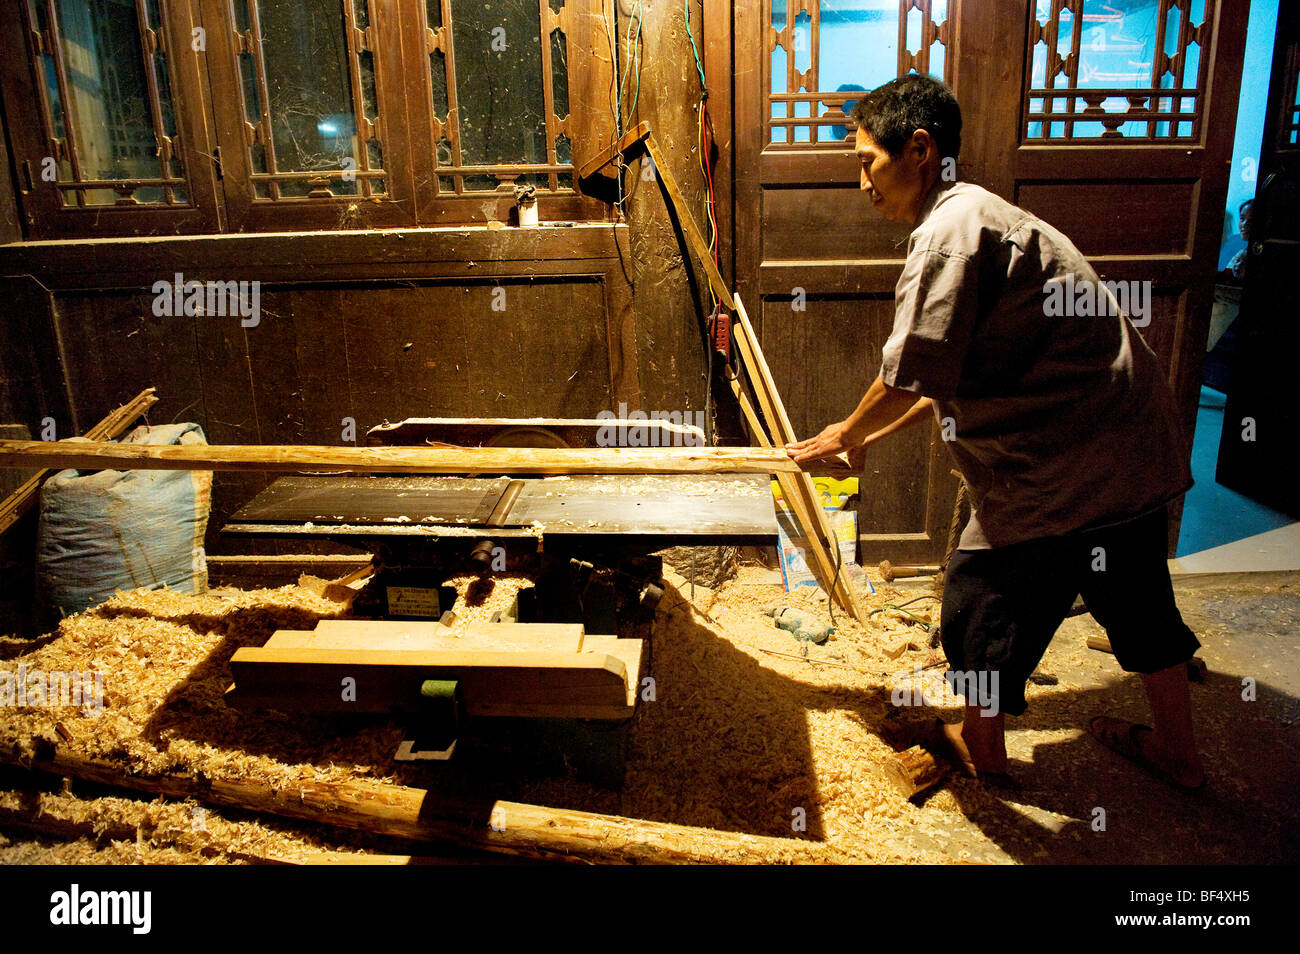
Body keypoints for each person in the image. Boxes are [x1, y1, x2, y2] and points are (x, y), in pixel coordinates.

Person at [787, 74, 1205, 790]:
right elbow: (944, 372)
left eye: (866, 161)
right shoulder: (976, 214)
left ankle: (983, 751)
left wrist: (839, 435)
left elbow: (909, 372)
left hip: (1065, 456)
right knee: (1138, 598)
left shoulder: (947, 237)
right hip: (1126, 444)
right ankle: (1180, 756)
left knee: (976, 599)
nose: (862, 183)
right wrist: (861, 436)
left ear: (920, 149)